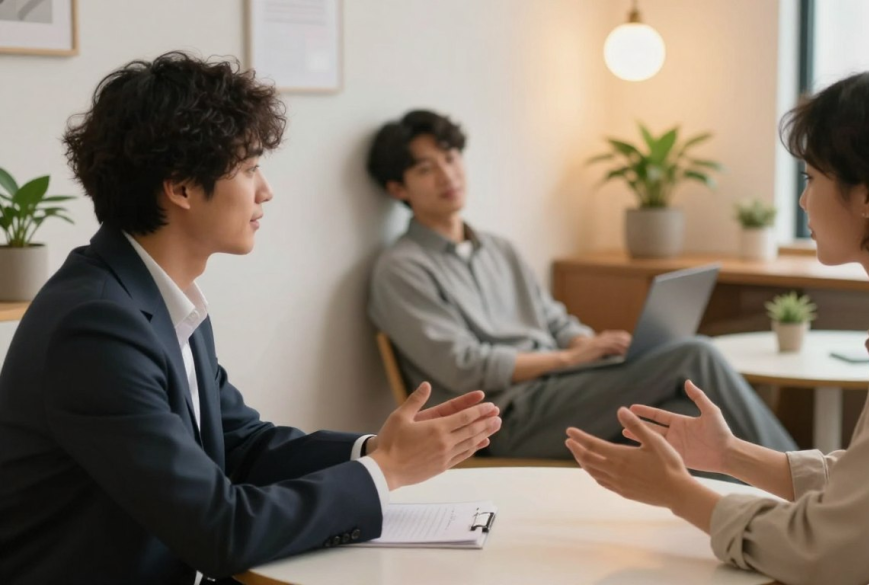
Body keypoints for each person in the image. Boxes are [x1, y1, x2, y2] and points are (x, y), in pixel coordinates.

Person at [0, 52, 501, 585]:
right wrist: (386, 472)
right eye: (247, 168)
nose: (265, 191)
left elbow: (241, 446)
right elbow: (220, 531)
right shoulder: (97, 326)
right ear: (182, 187)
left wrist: (375, 448)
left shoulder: (153, 295)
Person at [566, 62, 869, 585]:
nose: (803, 199)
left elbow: (829, 550)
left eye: (812, 178)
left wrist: (678, 491)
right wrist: (728, 455)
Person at [366, 109, 795, 460]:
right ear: (397, 188)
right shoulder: (401, 270)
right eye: (426, 168)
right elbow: (465, 366)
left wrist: (594, 344)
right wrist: (569, 360)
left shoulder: (499, 249)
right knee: (694, 354)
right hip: (503, 419)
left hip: (561, 393)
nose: (447, 175)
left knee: (683, 416)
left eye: (451, 158)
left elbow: (554, 320)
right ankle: (804, 488)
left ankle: (764, 531)